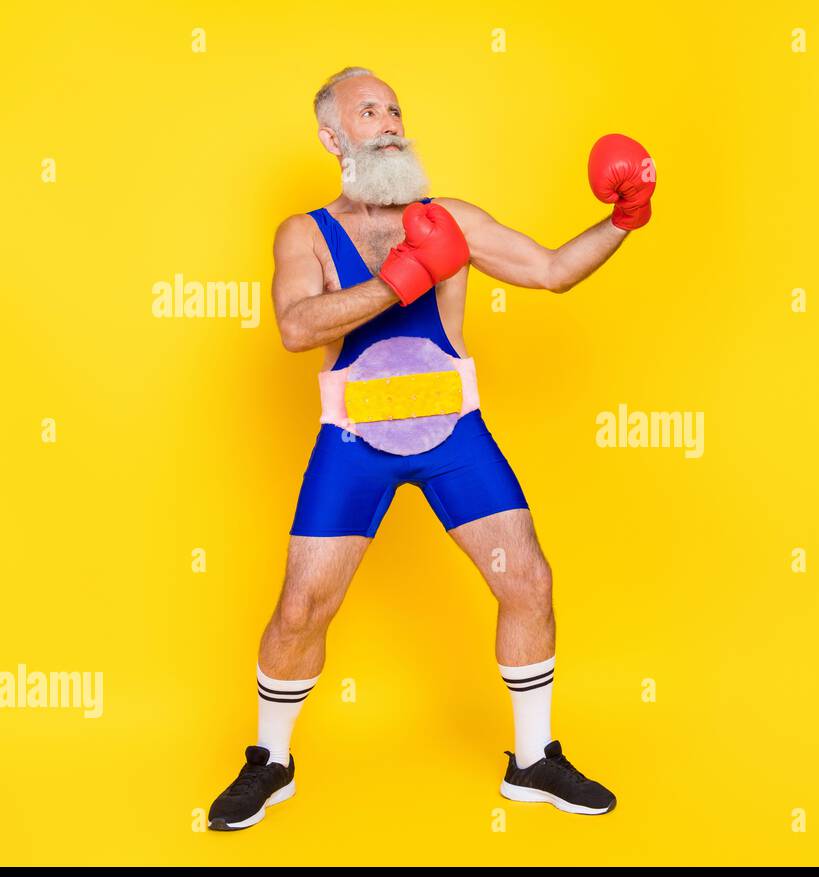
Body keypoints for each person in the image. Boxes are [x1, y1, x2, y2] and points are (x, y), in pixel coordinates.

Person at [207, 66, 655, 829]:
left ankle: (534, 759)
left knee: (529, 583)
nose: (389, 121)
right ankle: (271, 762)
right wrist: (403, 276)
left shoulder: (449, 217)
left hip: (453, 435)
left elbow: (549, 271)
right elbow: (296, 328)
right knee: (301, 608)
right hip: (355, 439)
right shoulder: (305, 233)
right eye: (369, 110)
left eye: (395, 109)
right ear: (333, 136)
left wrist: (625, 217)